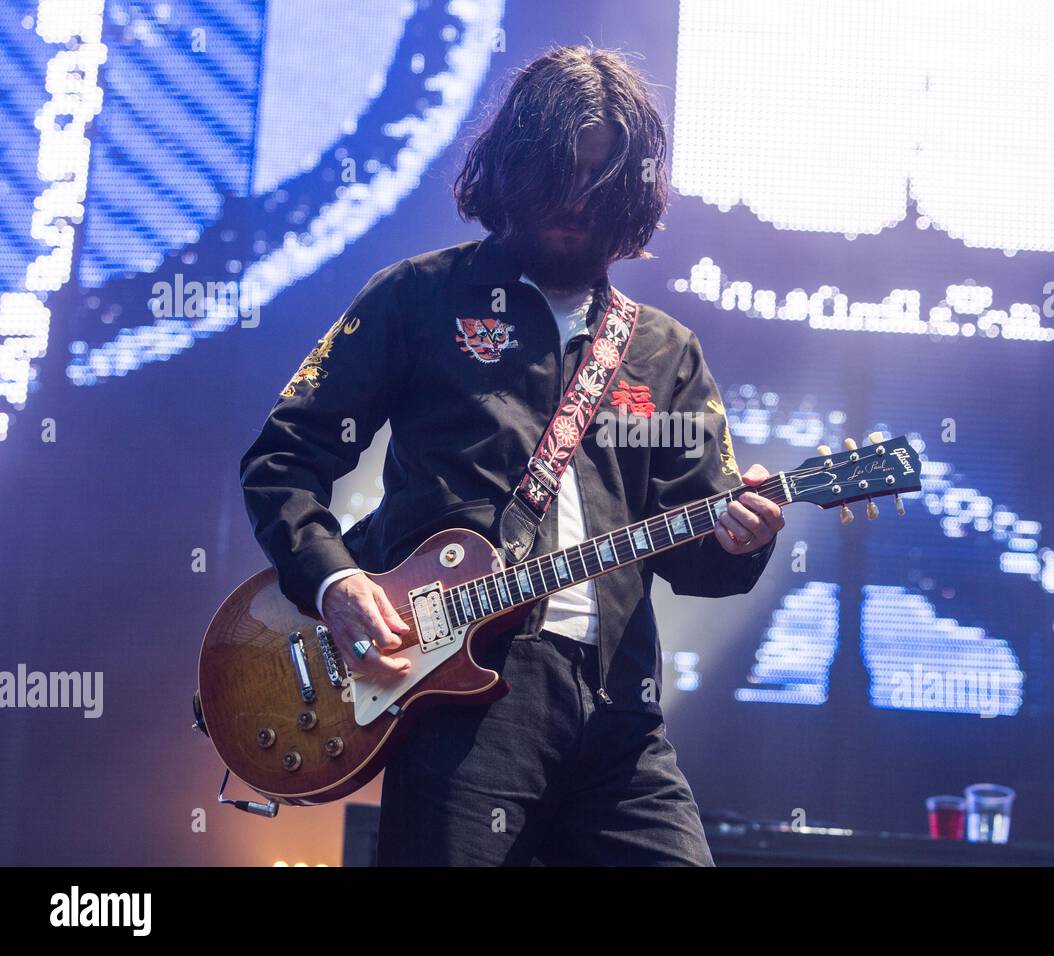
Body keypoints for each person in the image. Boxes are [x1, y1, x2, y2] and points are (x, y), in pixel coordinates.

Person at [239, 44, 783, 865]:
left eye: (599, 181)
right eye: (555, 173)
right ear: (510, 169)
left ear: (632, 194)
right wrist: (337, 581)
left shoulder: (665, 353)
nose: (573, 200)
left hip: (618, 710)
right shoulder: (416, 298)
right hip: (460, 704)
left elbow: (702, 560)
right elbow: (284, 459)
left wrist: (745, 535)